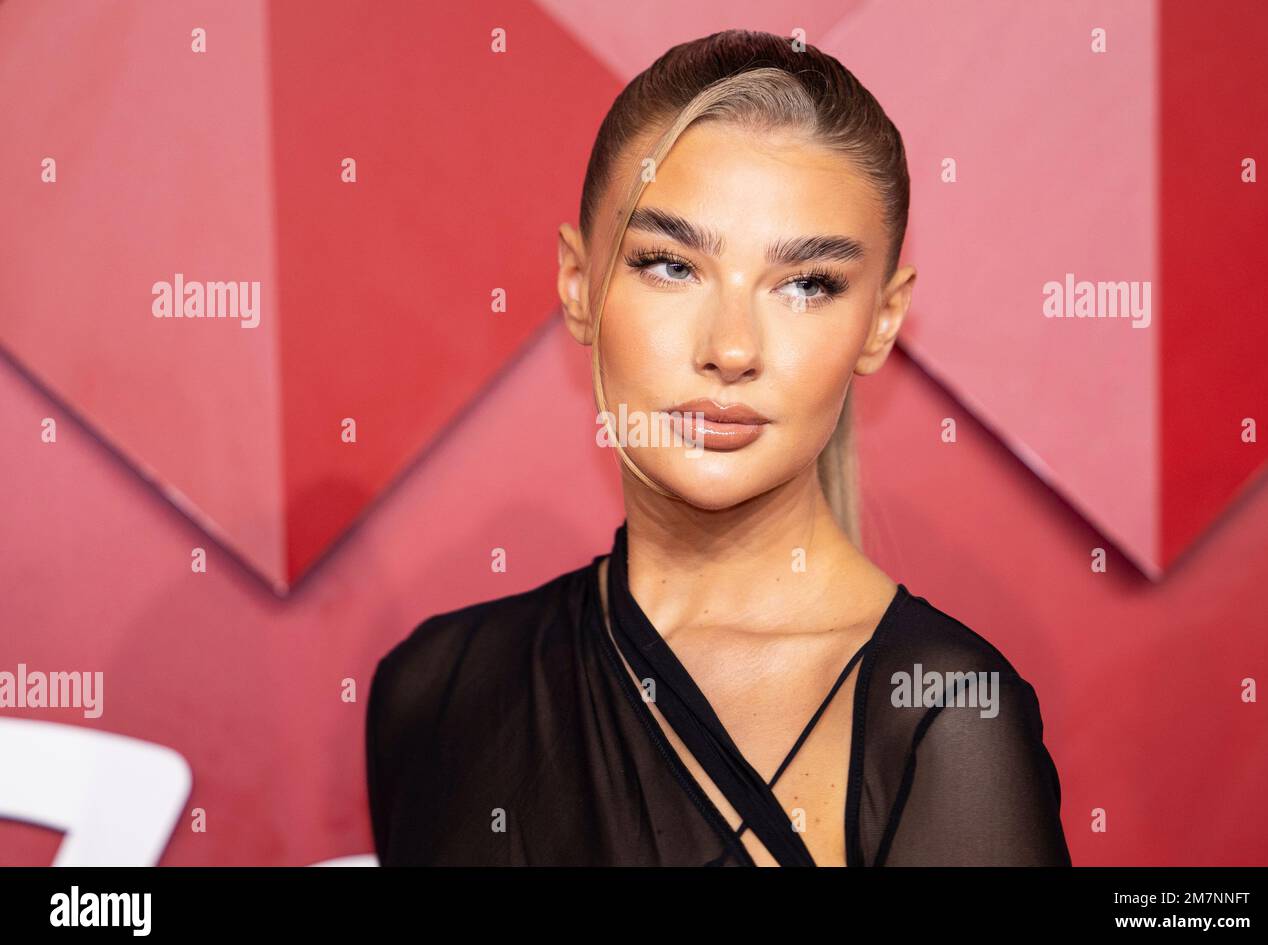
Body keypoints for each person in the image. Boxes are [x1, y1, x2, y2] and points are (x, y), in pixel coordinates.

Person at [366, 28, 1071, 867]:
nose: (732, 349)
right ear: (579, 286)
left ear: (881, 322)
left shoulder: (945, 718)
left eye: (807, 285)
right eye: (669, 265)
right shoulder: (436, 690)